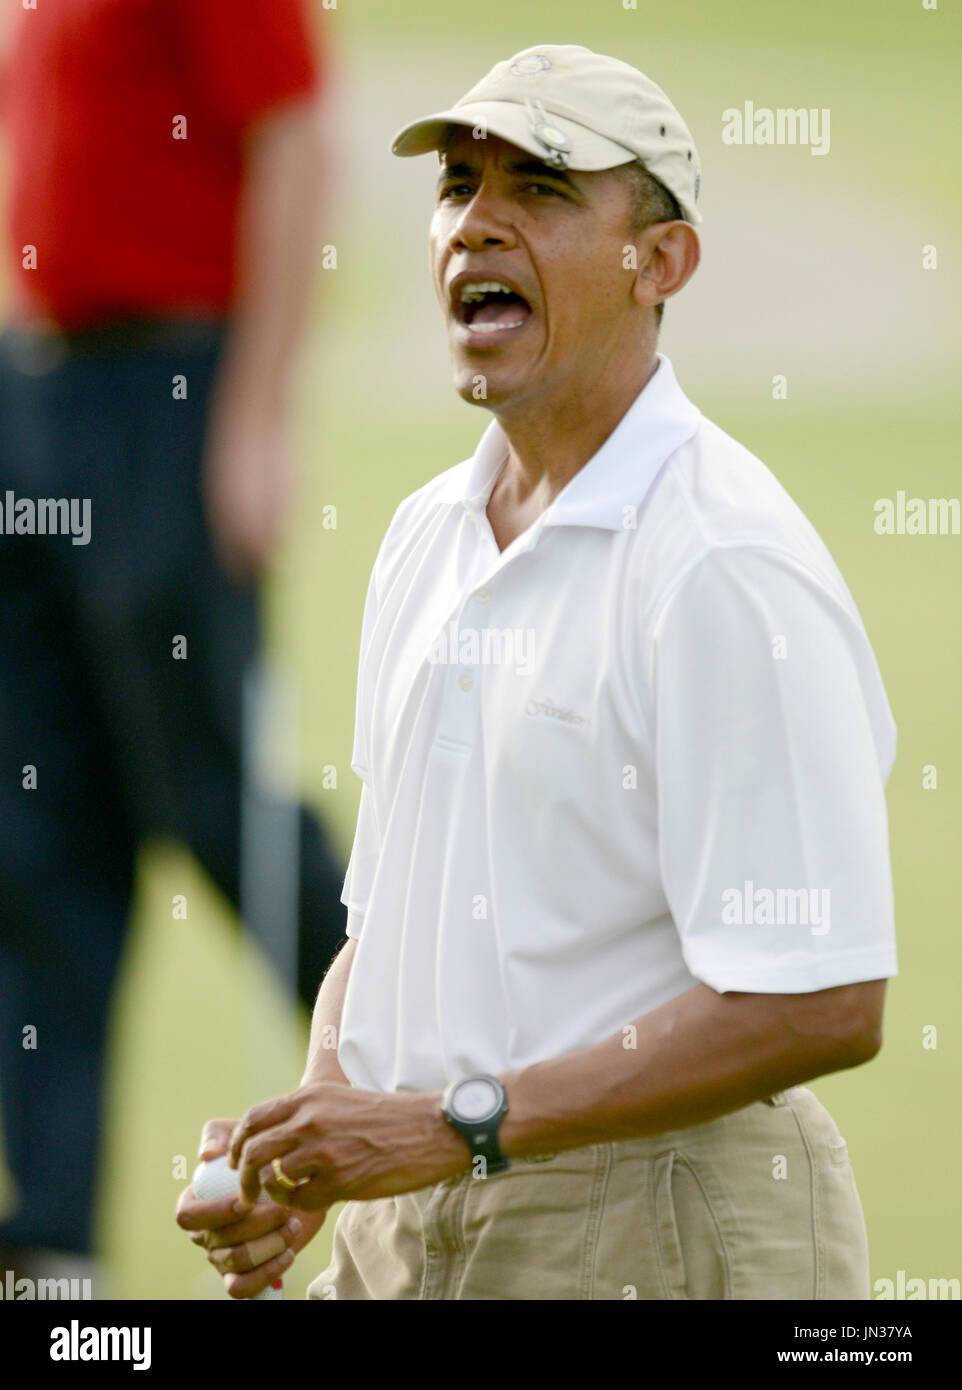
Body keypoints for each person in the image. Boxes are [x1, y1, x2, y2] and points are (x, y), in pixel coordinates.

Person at [177, 44, 898, 1301]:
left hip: (654, 1219)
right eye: (457, 184)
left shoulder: (720, 561)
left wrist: (448, 1123)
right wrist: (324, 1126)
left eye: (543, 190)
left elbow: (823, 998)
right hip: (414, 1216)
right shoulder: (423, 536)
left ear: (660, 263)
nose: (477, 223)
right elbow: (381, 924)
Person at [0, 0, 346, 1290]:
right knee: (36, 836)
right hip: (38, 389)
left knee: (210, 801)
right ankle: (51, 1253)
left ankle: (435, 1078)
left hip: (171, 391)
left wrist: (254, 416)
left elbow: (297, 142)